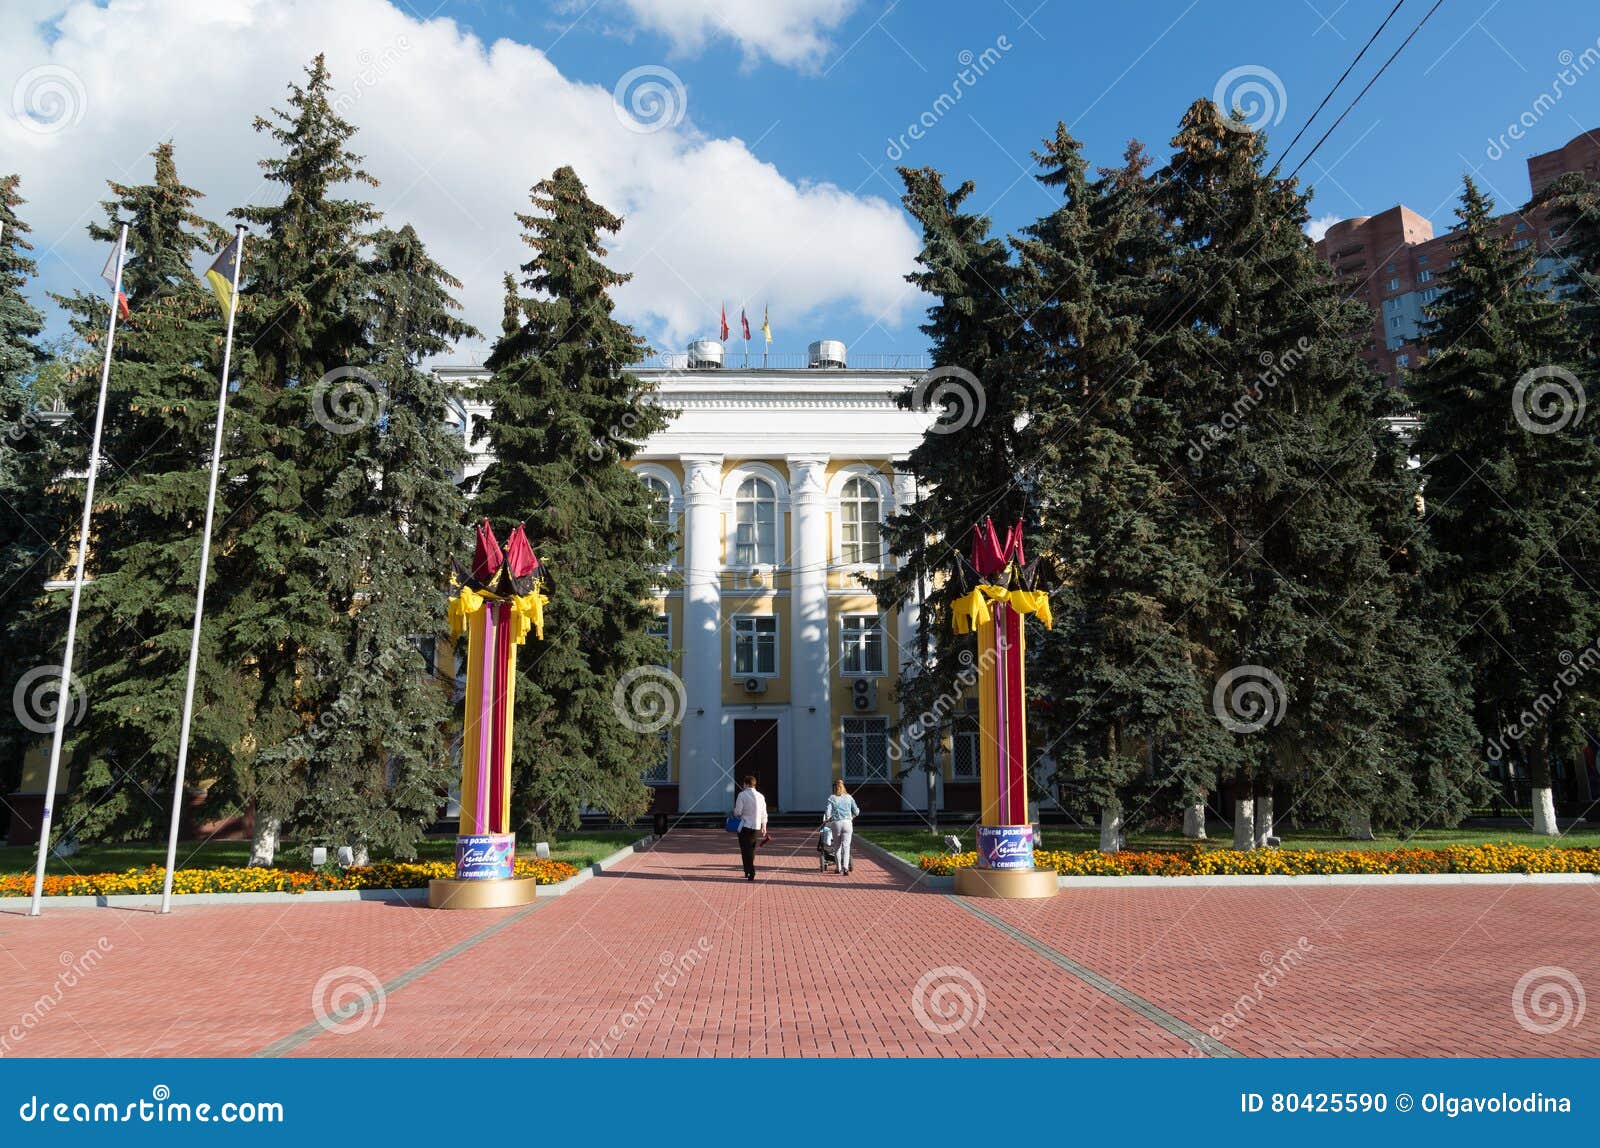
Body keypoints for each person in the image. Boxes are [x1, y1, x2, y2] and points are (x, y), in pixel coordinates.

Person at [732, 773, 769, 881]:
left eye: (744, 783)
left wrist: (734, 813)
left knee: (745, 849)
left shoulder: (742, 795)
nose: (743, 785)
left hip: (744, 825)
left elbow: (738, 812)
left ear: (746, 784)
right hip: (756, 826)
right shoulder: (761, 796)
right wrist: (764, 826)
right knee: (751, 849)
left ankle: (750, 871)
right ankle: (747, 870)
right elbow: (764, 813)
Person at [823, 778, 860, 876]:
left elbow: (827, 813)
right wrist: (851, 817)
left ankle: (838, 868)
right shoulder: (849, 797)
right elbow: (856, 811)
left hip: (836, 823)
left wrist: (828, 818)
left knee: (837, 847)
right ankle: (846, 869)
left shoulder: (831, 798)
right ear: (843, 786)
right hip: (847, 823)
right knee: (846, 847)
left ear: (834, 787)